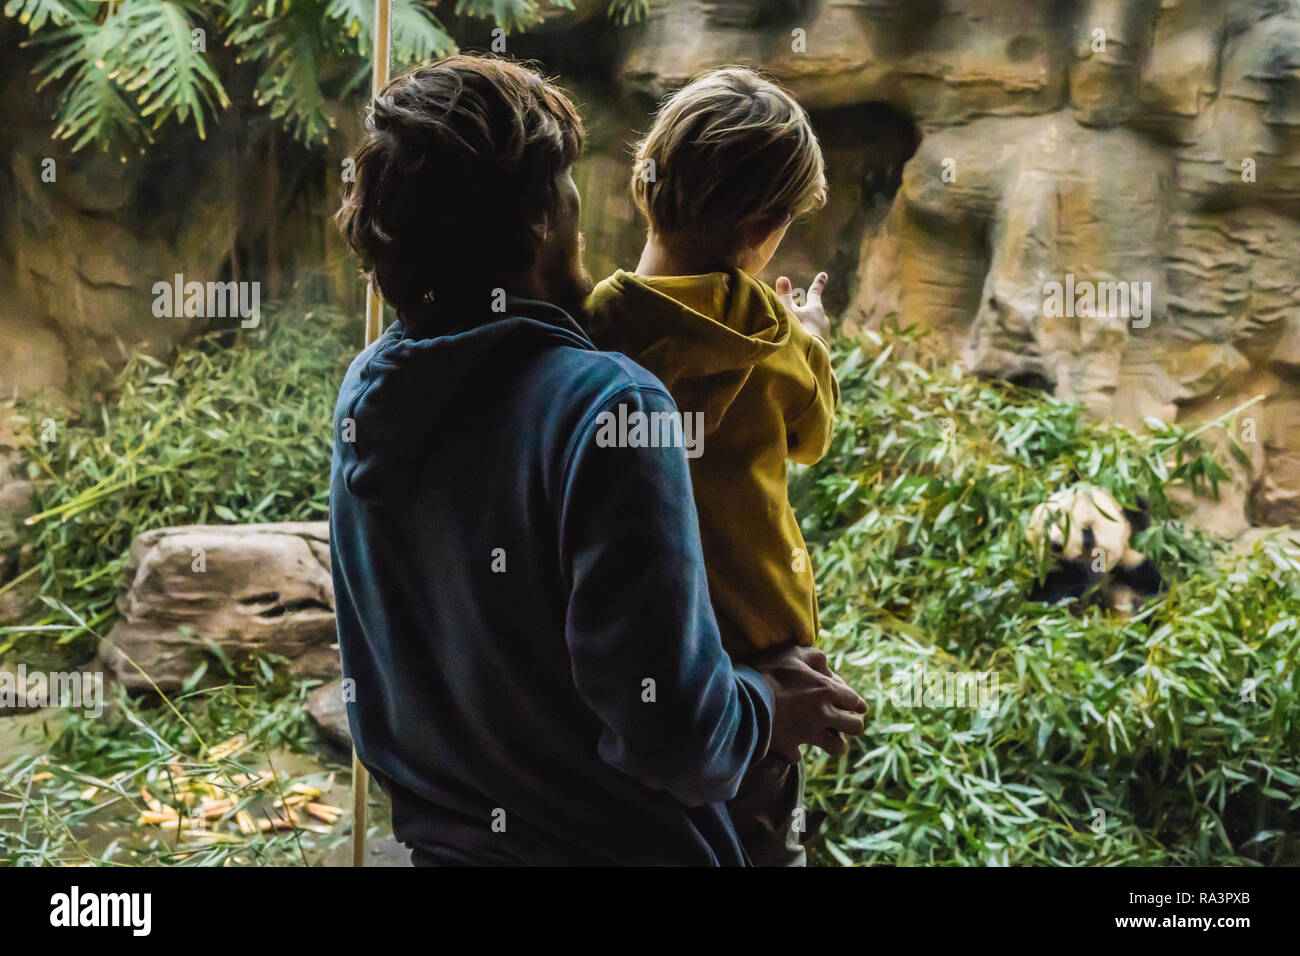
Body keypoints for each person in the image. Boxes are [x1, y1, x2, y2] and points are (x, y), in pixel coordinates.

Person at [330, 53, 865, 865]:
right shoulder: (609, 408)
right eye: (570, 181)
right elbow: (676, 738)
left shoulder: (367, 391)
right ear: (542, 213)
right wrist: (768, 705)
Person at [584, 67, 838, 865]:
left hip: (633, 662)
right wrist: (815, 341)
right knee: (761, 841)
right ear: (768, 228)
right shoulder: (778, 339)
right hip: (765, 664)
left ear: (643, 180)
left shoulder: (591, 327)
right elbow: (813, 437)